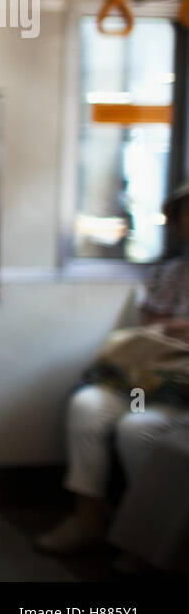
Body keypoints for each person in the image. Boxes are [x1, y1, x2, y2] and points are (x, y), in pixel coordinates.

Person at [35, 183, 189, 572]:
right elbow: (152, 331)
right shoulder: (170, 273)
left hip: (181, 393)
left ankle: (147, 536)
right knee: (87, 407)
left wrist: (173, 328)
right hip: (149, 376)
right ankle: (89, 519)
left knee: (139, 430)